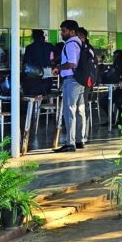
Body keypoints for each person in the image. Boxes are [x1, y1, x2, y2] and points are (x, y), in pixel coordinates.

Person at [54, 20, 86, 152]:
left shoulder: (71, 44)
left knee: (69, 111)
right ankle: (79, 140)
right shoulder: (80, 43)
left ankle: (70, 142)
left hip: (71, 80)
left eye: (64, 31)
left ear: (72, 31)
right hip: (80, 80)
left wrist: (59, 67)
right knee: (79, 111)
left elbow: (72, 64)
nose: (62, 34)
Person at [22, 29, 55, 97]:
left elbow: (26, 63)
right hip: (47, 72)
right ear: (42, 36)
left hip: (34, 74)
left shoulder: (29, 47)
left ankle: (36, 106)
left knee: (34, 92)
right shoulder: (49, 45)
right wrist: (52, 62)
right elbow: (59, 54)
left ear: (33, 37)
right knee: (46, 90)